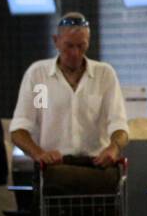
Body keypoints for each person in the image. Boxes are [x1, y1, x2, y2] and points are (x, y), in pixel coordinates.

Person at [11, 13, 129, 168]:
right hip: (53, 167)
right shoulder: (39, 76)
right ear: (56, 41)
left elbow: (119, 125)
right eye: (69, 46)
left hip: (96, 165)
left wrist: (114, 148)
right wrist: (39, 153)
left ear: (88, 42)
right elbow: (19, 129)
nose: (75, 53)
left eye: (81, 46)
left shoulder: (104, 74)